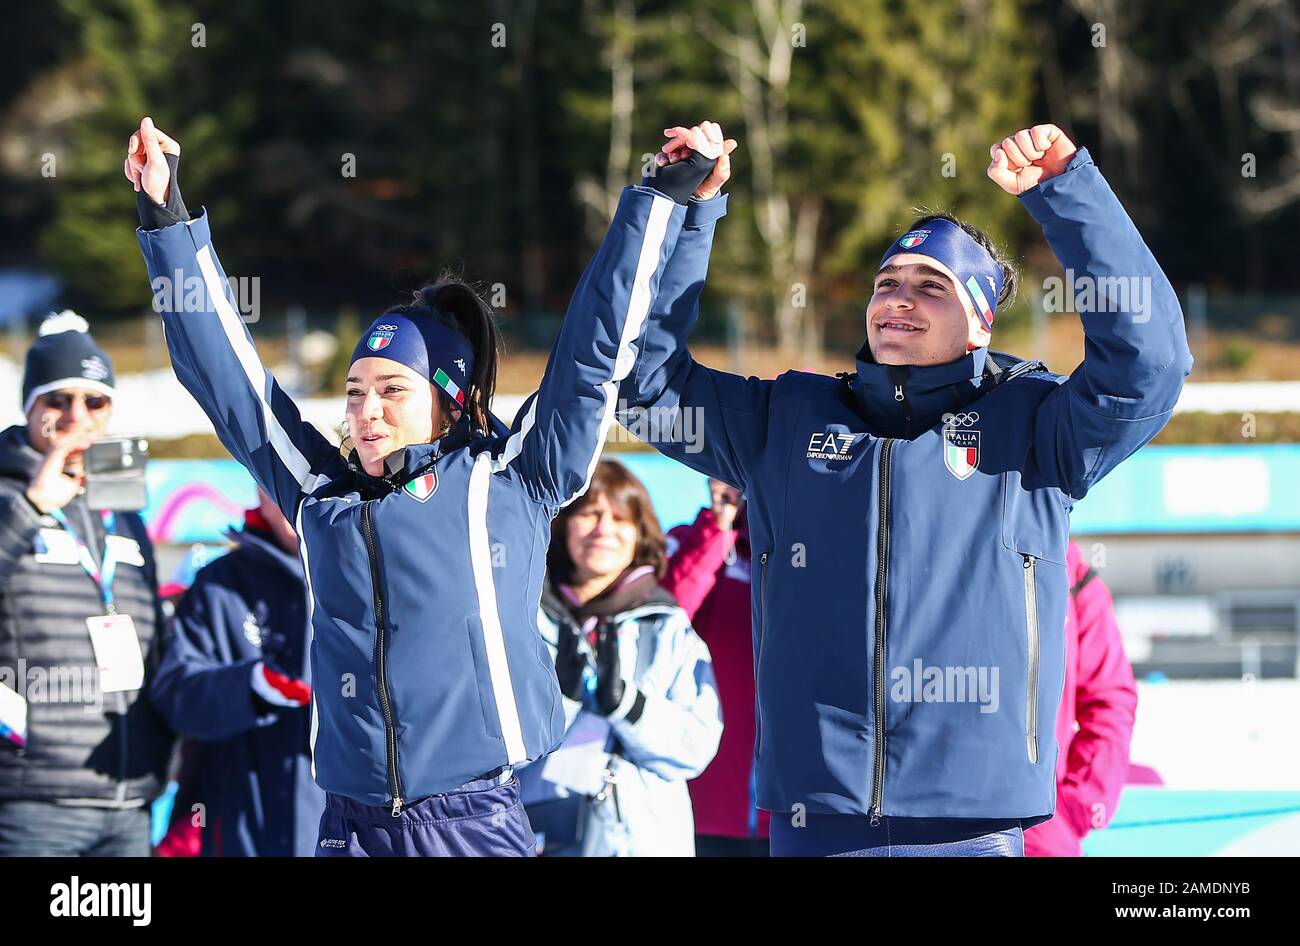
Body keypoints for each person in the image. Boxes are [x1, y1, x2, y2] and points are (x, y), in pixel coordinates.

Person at [124, 115, 736, 856]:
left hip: (469, 825)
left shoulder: (512, 479)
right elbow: (229, 383)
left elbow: (593, 350)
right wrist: (169, 219)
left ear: (450, 400)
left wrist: (660, 199)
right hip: (345, 826)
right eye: (354, 392)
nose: (366, 413)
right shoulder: (322, 497)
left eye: (391, 391)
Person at [620, 123, 1192, 856]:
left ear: (980, 324)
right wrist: (690, 211)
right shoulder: (785, 423)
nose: (899, 298)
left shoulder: (1038, 429)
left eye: (931, 287)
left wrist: (1067, 191)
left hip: (974, 825)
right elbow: (645, 382)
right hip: (814, 818)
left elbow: (1151, 365)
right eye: (887, 282)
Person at [0, 311, 174, 856]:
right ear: (29, 407)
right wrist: (30, 507)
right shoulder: (8, 498)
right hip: (35, 799)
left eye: (94, 401)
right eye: (57, 399)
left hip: (129, 800)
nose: (78, 415)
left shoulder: (123, 509)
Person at [520, 459, 721, 856]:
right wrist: (561, 702)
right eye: (590, 514)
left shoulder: (668, 626)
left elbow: (696, 748)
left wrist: (630, 706)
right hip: (544, 837)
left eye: (620, 518)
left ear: (640, 533)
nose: (604, 530)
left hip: (645, 840)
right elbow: (495, 747)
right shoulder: (523, 616)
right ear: (563, 524)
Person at [151, 489, 325, 856]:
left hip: (353, 829)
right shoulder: (219, 584)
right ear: (258, 489)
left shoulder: (374, 571)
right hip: (241, 827)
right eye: (278, 484)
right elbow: (177, 698)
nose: (295, 500)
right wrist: (250, 687)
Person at [662, 478, 769, 856]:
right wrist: (719, 527)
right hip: (708, 803)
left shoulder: (798, 550)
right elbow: (669, 616)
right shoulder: (687, 540)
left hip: (788, 808)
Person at [1024, 541, 1137, 856]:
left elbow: (1110, 701)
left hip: (1037, 830)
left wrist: (1077, 807)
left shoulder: (1073, 578)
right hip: (917, 826)